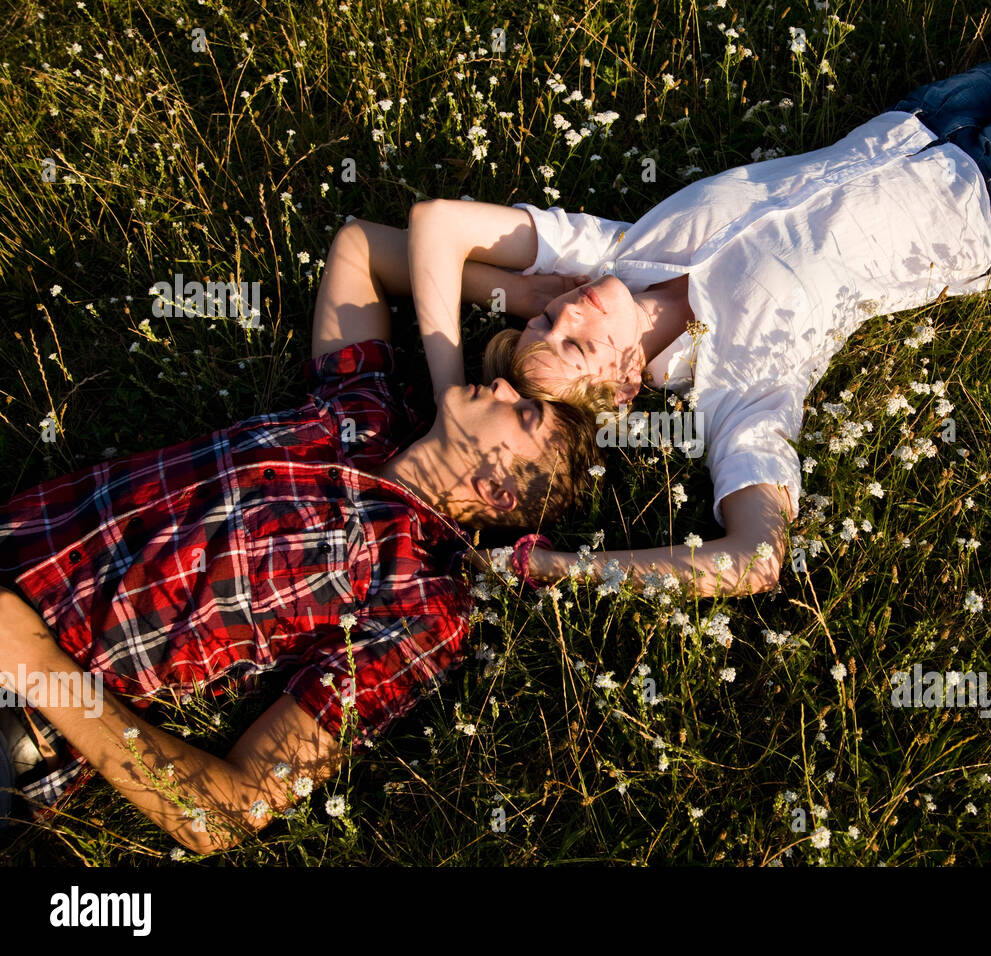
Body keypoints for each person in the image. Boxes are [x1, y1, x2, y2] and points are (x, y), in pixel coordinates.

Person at [415, 0, 991, 598]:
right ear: (622, 390)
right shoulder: (740, 391)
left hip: (923, 122)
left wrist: (448, 394)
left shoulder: (618, 248)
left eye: (542, 318)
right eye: (569, 342)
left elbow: (435, 228)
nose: (563, 311)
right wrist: (558, 568)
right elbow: (755, 559)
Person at [0, 218, 603, 852]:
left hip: (23, 698)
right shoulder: (370, 411)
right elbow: (361, 247)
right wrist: (534, 301)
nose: (503, 384)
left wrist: (39, 669)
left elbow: (227, 813)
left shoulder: (423, 607)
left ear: (500, 493)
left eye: (524, 413)